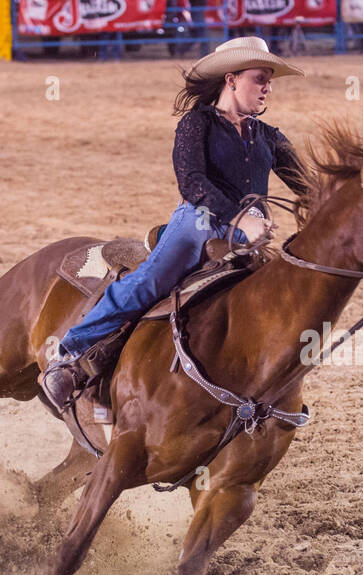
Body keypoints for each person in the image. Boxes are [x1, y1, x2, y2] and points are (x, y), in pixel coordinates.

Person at [41, 36, 309, 411]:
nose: (267, 87)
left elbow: (308, 185)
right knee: (153, 279)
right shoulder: (196, 124)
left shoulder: (268, 136)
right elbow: (193, 182)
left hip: (250, 234)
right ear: (231, 79)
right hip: (199, 221)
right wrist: (241, 217)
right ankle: (70, 352)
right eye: (259, 78)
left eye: (269, 80)